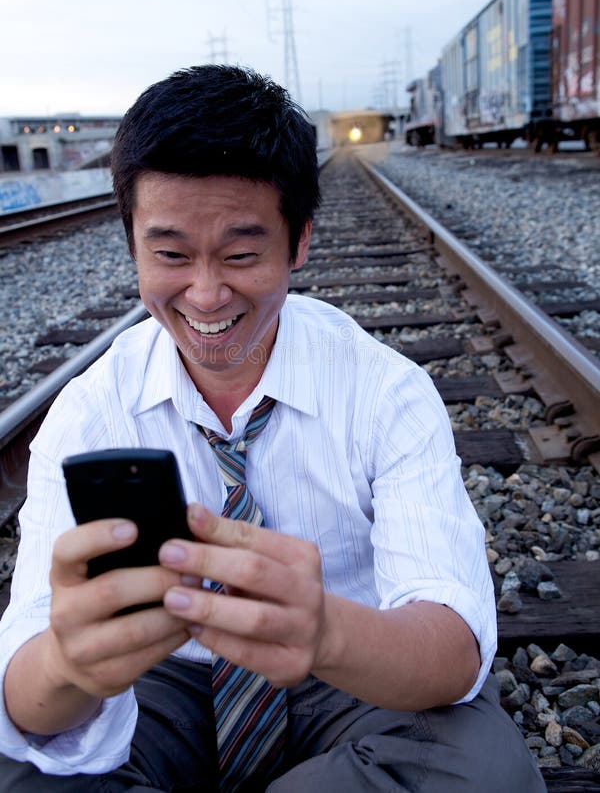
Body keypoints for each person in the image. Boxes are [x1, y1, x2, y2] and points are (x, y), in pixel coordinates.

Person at [0, 65, 545, 792]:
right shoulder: (88, 411)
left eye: (241, 255)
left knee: (484, 768)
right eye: (170, 255)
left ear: (299, 243)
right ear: (131, 245)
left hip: (348, 672)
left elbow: (452, 646)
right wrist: (70, 664)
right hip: (156, 683)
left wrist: (323, 629)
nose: (205, 294)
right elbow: (23, 688)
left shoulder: (385, 390)